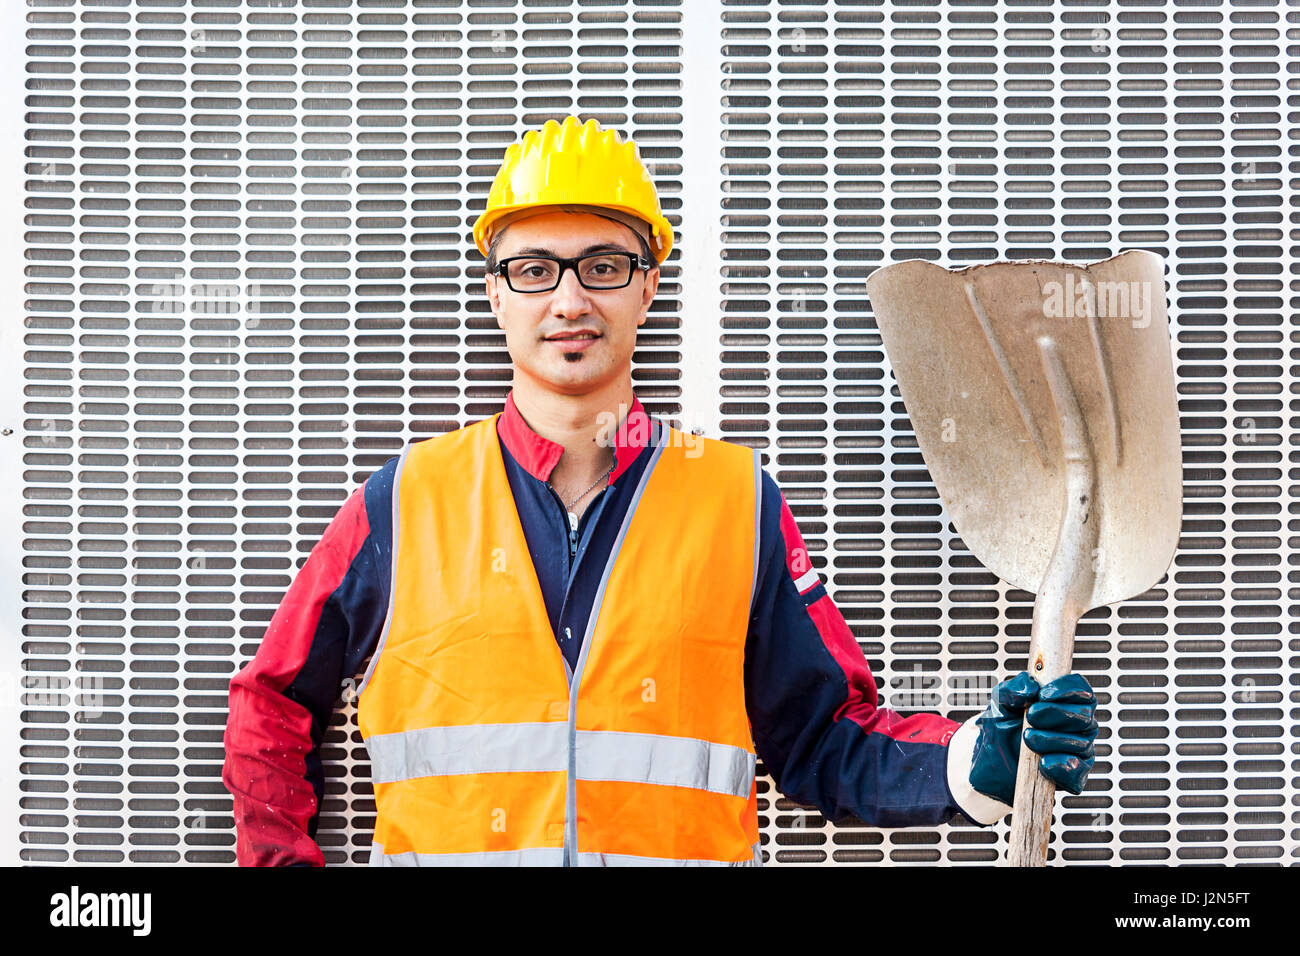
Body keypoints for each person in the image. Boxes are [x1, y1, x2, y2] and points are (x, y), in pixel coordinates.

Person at [222, 115, 1098, 867]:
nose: (569, 299)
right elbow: (270, 702)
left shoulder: (732, 501)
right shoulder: (401, 504)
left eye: (604, 264)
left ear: (647, 283)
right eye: (535, 269)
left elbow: (823, 735)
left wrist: (975, 762)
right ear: (496, 294)